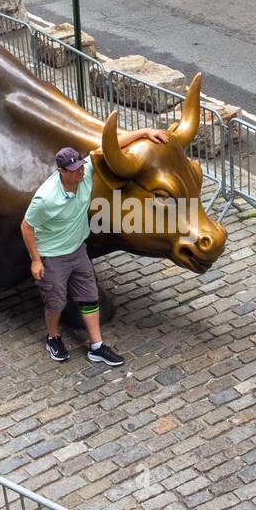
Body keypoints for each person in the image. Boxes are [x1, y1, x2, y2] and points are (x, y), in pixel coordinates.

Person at [21, 137, 166, 365]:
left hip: (78, 250)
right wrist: (36, 260)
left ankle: (96, 346)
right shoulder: (46, 198)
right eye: (73, 169)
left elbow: (108, 147)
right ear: (61, 171)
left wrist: (145, 132)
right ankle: (53, 337)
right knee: (56, 302)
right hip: (54, 256)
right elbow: (26, 226)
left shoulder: (86, 171)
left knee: (90, 296)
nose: (79, 172)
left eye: (80, 166)